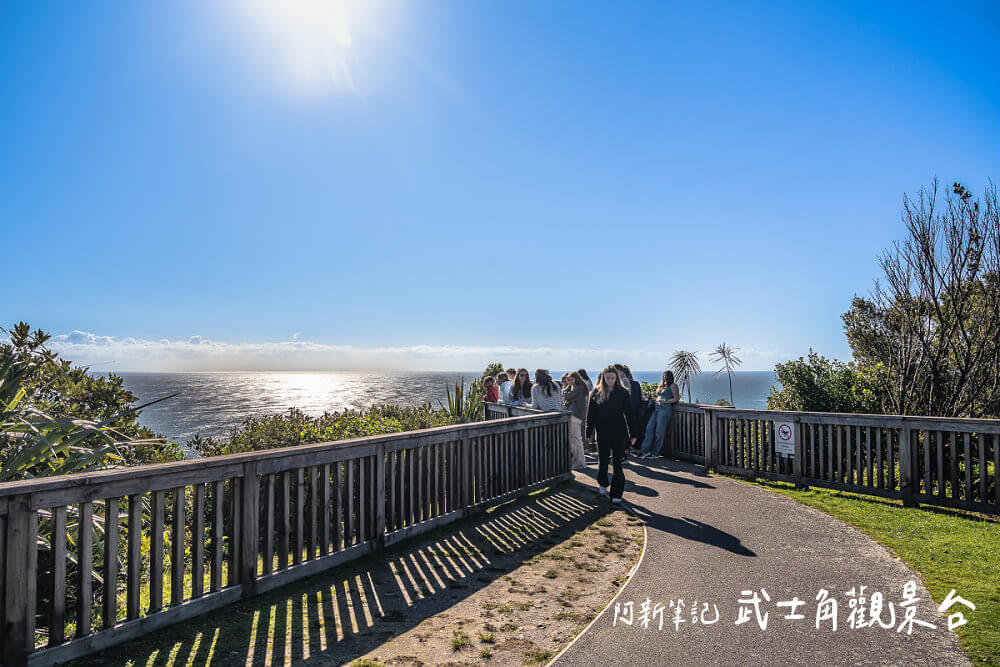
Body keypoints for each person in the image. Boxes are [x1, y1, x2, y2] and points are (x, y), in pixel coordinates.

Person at [586, 365, 637, 506]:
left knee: (617, 465)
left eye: (613, 378)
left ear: (617, 378)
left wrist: (633, 433)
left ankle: (616, 495)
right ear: (603, 378)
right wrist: (588, 432)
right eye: (607, 378)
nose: (610, 380)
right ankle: (603, 483)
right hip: (602, 433)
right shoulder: (596, 393)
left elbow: (630, 414)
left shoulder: (623, 392)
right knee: (603, 462)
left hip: (619, 433)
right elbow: (591, 415)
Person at [639, 371, 680, 458]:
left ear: (671, 377)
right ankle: (644, 451)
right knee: (649, 429)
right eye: (664, 376)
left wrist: (666, 401)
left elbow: (676, 398)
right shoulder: (662, 386)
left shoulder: (673, 385)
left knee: (659, 432)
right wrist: (650, 398)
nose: (665, 377)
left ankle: (655, 452)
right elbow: (658, 397)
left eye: (667, 376)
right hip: (656, 409)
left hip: (665, 410)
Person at [563, 371, 589, 470]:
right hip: (577, 415)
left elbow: (566, 396)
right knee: (576, 440)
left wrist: (567, 389)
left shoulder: (578, 388)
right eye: (568, 380)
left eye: (571, 379)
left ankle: (580, 463)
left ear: (576, 378)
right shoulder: (580, 387)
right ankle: (578, 462)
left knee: (576, 440)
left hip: (575, 415)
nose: (569, 382)